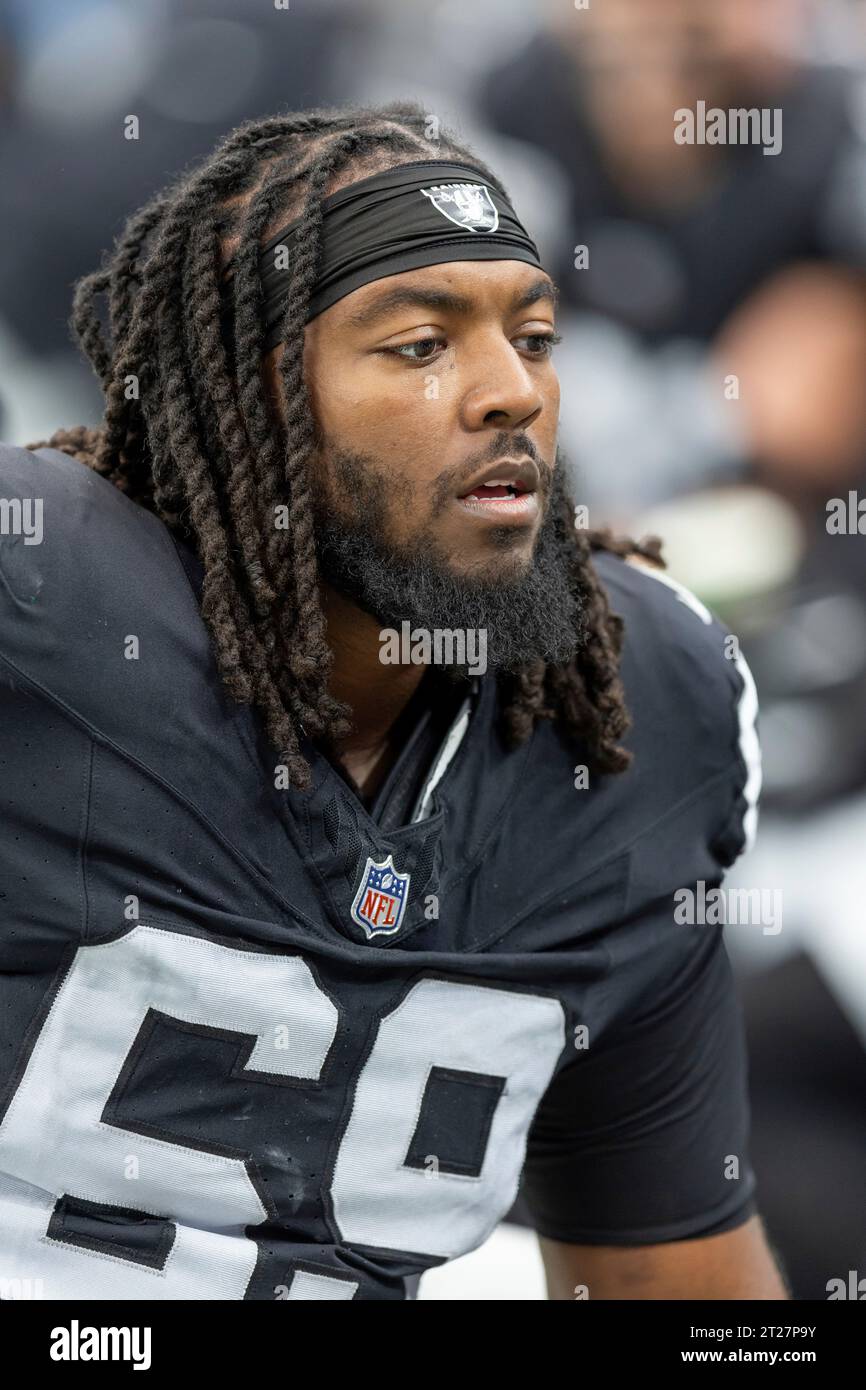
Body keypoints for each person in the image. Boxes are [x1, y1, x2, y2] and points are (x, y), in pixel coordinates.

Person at [0, 101, 787, 1301]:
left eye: (533, 336)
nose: (508, 391)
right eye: (420, 345)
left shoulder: (638, 707)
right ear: (255, 394)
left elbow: (670, 1278)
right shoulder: (42, 604)